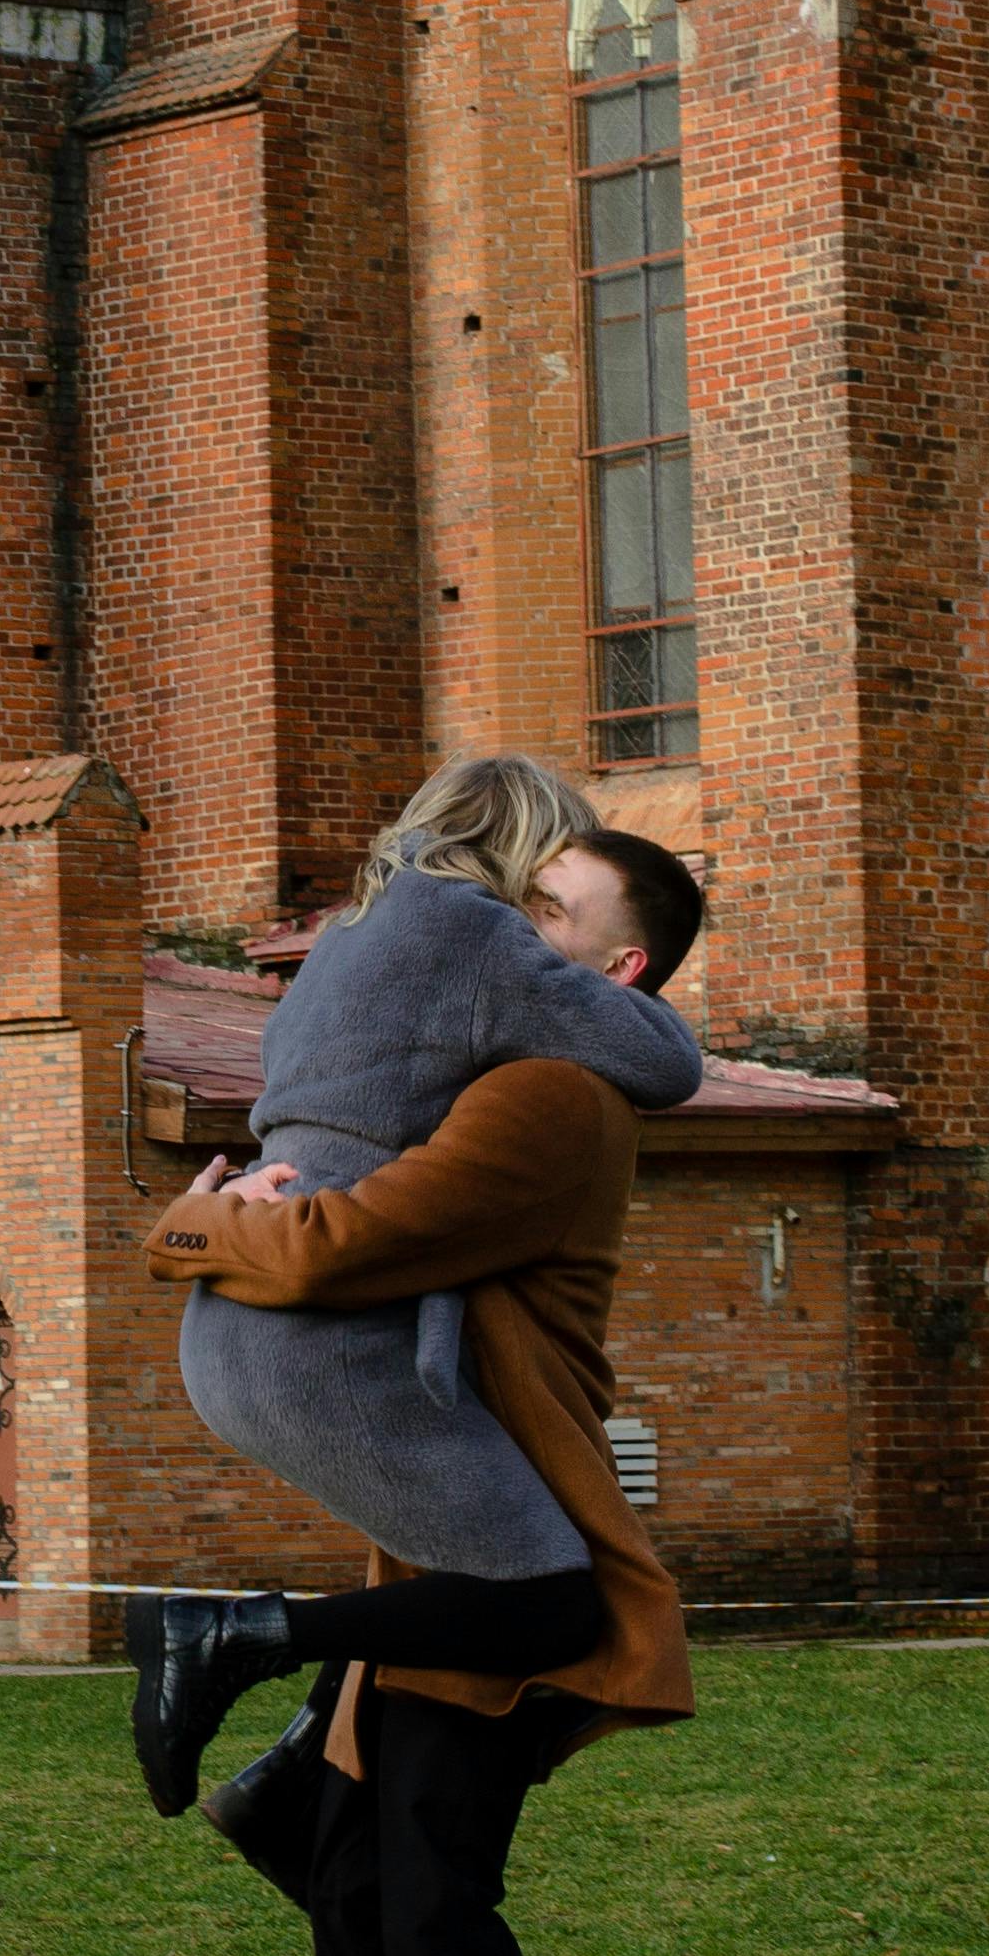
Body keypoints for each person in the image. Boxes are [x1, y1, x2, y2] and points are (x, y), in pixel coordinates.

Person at [132, 818, 707, 1956]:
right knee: (354, 1888)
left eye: (550, 908)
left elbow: (341, 1245)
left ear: (619, 966)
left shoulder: (549, 1096)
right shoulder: (499, 1075)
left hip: (504, 1557)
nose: (513, 926)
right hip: (431, 1567)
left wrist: (193, 1220)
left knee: (437, 1926)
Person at [136, 759, 701, 1838]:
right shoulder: (477, 935)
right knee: (541, 1591)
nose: (540, 909)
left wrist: (192, 1221)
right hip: (323, 1312)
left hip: (237, 1306)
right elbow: (662, 1059)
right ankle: (229, 1646)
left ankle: (298, 1762)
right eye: (543, 878)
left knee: (454, 1560)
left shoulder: (349, 933)